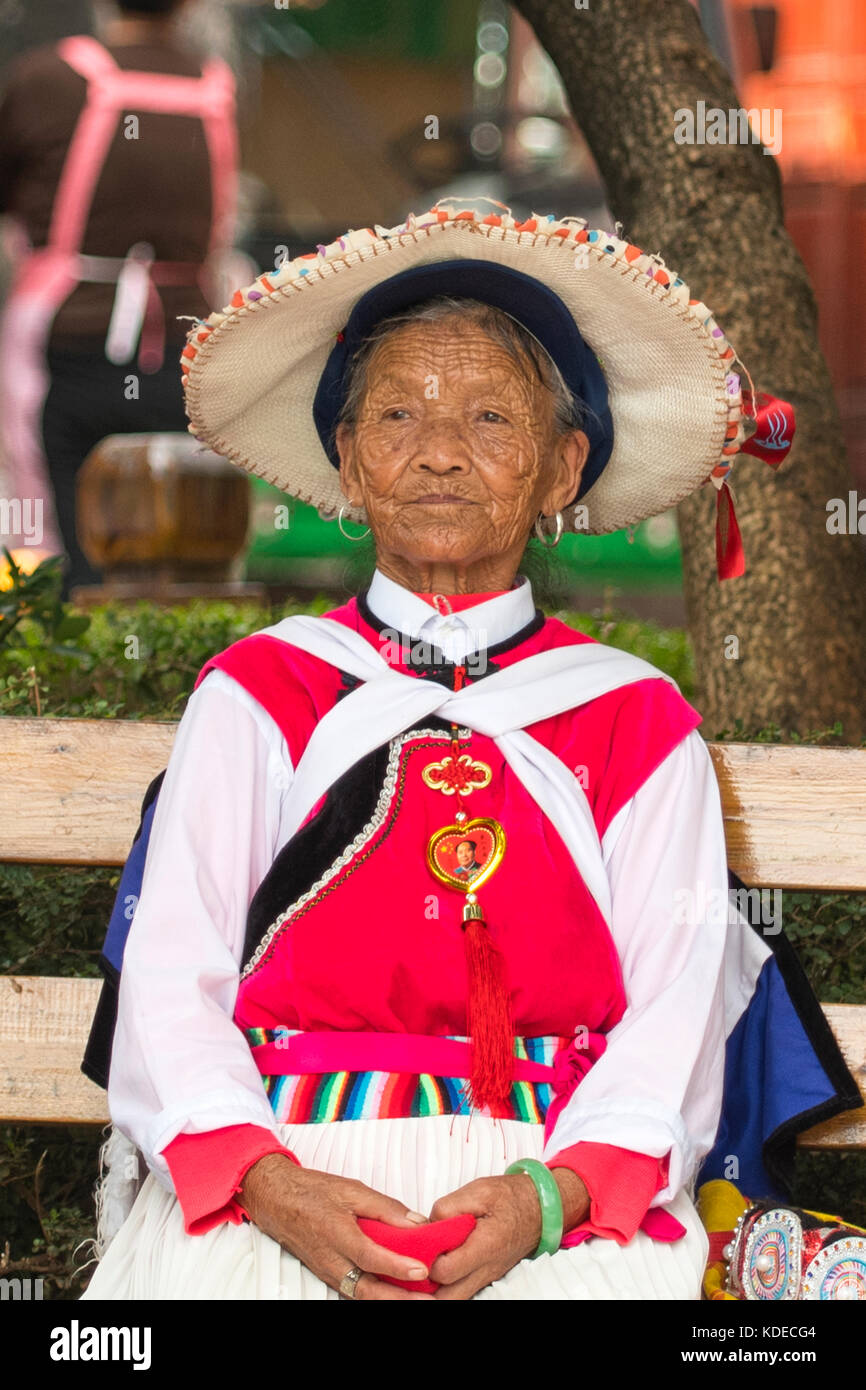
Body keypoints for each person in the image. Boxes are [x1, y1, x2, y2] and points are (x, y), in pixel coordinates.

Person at [81, 201, 805, 1301]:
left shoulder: (632, 719)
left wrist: (548, 1201)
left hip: (549, 1197)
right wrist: (272, 1186)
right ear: (348, 460)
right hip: (285, 1183)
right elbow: (171, 975)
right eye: (395, 415)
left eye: (490, 418)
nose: (438, 453)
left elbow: (678, 1006)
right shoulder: (261, 696)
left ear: (561, 470)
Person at [0, 0, 237, 596]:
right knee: (167, 535)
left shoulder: (49, 78)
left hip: (66, 341)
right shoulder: (215, 86)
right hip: (182, 347)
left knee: (51, 539)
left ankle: (52, 639)